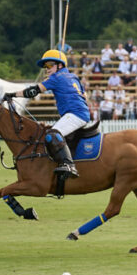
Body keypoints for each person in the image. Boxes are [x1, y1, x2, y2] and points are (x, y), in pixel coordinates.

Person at [15, 48, 91, 178]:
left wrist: (13, 94)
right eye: (45, 66)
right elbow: (85, 96)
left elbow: (33, 91)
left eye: (50, 65)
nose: (47, 68)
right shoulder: (73, 76)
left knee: (52, 135)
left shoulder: (56, 78)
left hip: (75, 114)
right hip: (80, 113)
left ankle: (69, 165)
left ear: (60, 65)